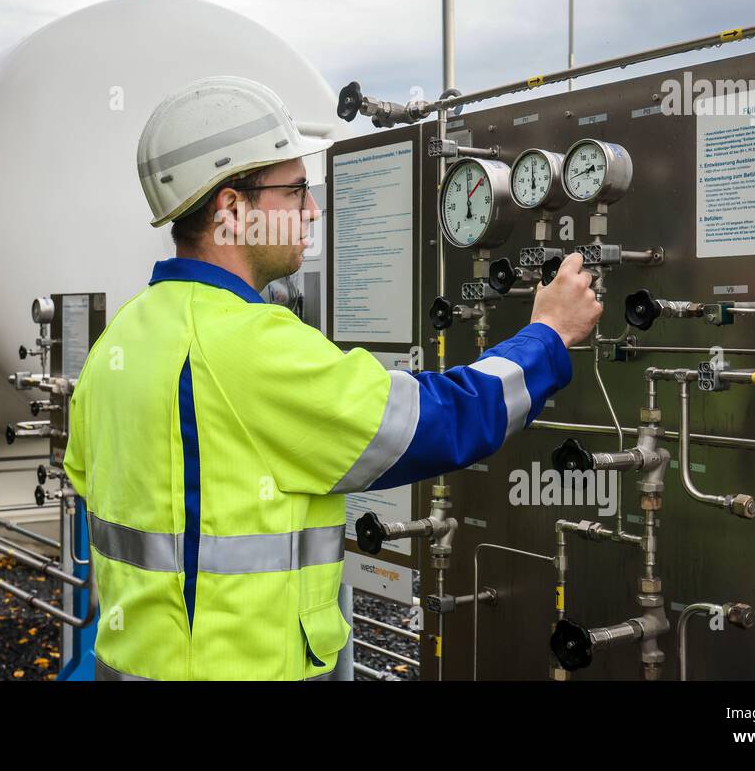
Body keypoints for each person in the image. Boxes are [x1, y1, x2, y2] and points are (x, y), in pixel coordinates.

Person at [63, 75, 601, 681]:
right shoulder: (247, 344)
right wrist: (548, 336)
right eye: (295, 191)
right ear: (233, 209)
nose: (313, 210)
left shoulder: (122, 340)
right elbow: (434, 422)